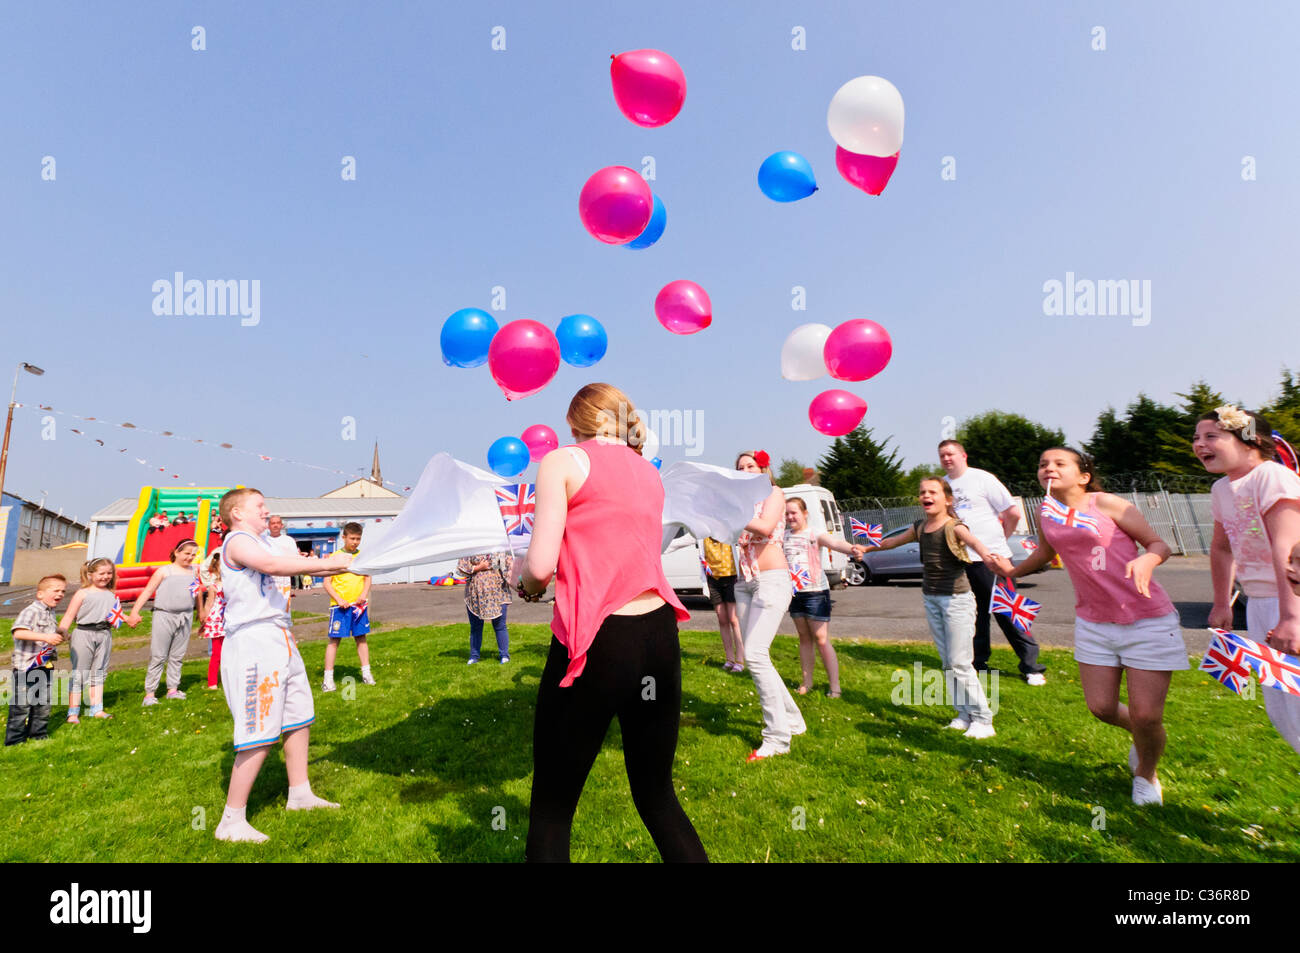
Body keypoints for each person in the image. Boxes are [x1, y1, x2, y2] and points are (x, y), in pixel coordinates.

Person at [517, 382, 707, 862]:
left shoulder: (562, 461)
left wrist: (527, 587)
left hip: (597, 638)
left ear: (576, 421)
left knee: (552, 809)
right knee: (657, 794)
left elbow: (540, 567)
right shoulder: (648, 472)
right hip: (657, 635)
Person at [994, 448, 1185, 805]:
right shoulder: (1046, 510)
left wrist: (1148, 558)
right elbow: (1047, 553)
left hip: (1147, 618)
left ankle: (1146, 774)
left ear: (1083, 476)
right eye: (1042, 464)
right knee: (1101, 708)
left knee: (1146, 714)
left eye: (1059, 463)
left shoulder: (1105, 503)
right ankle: (1145, 736)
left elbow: (1160, 544)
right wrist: (1011, 570)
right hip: (1094, 622)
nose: (1048, 468)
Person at [212, 487, 352, 843]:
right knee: (259, 729)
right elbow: (273, 567)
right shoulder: (236, 541)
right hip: (253, 643)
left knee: (298, 716)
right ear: (237, 513)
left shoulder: (268, 542)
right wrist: (329, 563)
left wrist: (340, 561)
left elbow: (283, 561)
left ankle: (300, 793)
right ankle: (231, 820)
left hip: (280, 636)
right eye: (259, 506)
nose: (267, 511)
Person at [1194, 406, 1300, 755]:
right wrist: (1223, 602)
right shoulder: (1222, 488)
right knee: (1280, 710)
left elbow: (1287, 549)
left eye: (1211, 436)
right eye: (1196, 438)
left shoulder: (1272, 477)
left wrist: (1291, 618)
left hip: (1291, 604)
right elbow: (1223, 548)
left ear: (1250, 439)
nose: (1199, 444)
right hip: (1259, 604)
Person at [874, 478, 999, 738]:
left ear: (948, 499)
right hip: (931, 599)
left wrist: (987, 555)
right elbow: (892, 542)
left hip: (957, 601)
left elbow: (974, 542)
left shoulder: (953, 526)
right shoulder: (920, 527)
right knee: (947, 662)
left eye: (933, 492)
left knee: (960, 662)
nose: (926, 496)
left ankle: (983, 719)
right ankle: (963, 714)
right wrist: (864, 547)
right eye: (922, 492)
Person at [938, 439, 1048, 684]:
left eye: (950, 454)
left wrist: (1000, 540)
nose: (946, 459)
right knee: (972, 614)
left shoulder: (982, 479)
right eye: (942, 455)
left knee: (1007, 610)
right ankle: (977, 662)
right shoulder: (942, 485)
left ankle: (1031, 667)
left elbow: (1012, 512)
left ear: (963, 456)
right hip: (961, 561)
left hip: (993, 559)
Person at [734, 450, 806, 762]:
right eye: (740, 467)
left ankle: (777, 737)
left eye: (750, 465)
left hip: (771, 581)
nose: (745, 470)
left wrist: (729, 515)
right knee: (757, 656)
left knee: (754, 654)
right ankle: (792, 719)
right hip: (744, 583)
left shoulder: (774, 493)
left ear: (763, 468)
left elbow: (764, 528)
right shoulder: (739, 503)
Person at [783, 497, 866, 698]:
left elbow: (836, 543)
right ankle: (806, 683)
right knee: (804, 638)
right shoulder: (783, 536)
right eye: (787, 513)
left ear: (804, 514)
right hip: (795, 594)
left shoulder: (814, 534)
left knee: (820, 639)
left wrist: (852, 549)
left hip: (816, 593)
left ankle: (835, 686)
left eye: (794, 512)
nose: (790, 517)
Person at [128, 539, 200, 705]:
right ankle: (150, 693)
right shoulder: (164, 571)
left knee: (177, 655)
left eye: (193, 555)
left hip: (185, 616)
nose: (190, 557)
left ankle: (172, 689)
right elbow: (148, 591)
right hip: (164, 616)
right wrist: (134, 612)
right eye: (187, 553)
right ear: (176, 552)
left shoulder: (193, 572)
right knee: (158, 655)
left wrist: (201, 612)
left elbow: (196, 593)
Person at [6, 575, 66, 745]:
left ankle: (38, 735)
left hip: (44, 666)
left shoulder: (49, 611)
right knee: (21, 706)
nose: (60, 594)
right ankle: (15, 741)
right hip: (26, 667)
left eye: (63, 591)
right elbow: (18, 632)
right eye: (56, 590)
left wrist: (60, 633)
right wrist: (46, 637)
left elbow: (50, 632)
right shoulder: (31, 611)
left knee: (43, 704)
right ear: (40, 594)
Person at [58, 558, 120, 723]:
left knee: (99, 672)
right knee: (80, 673)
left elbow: (114, 614)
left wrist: (129, 619)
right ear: (91, 574)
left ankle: (96, 708)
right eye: (101, 573)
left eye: (109, 573)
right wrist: (62, 631)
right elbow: (69, 615)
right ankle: (73, 713)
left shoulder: (111, 594)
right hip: (84, 634)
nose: (105, 576)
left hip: (104, 634)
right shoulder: (82, 593)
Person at [322, 522, 374, 691]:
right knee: (334, 641)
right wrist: (338, 599)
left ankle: (366, 673)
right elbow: (327, 582)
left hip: (358, 606)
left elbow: (367, 578)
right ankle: (328, 679)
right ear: (343, 537)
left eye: (358, 539)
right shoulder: (335, 557)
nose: (355, 542)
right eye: (352, 538)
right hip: (340, 608)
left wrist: (363, 595)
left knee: (361, 638)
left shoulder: (363, 556)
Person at [456, 552, 512, 664]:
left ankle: (504, 655)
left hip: (497, 592)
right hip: (475, 593)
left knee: (500, 625)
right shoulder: (471, 547)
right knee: (476, 626)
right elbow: (462, 567)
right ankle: (474, 656)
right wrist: (479, 567)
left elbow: (507, 566)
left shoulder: (498, 547)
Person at [702, 536, 744, 672]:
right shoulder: (703, 535)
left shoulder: (728, 530)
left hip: (731, 577)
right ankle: (729, 659)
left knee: (734, 619)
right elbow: (681, 541)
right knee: (722, 619)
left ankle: (740, 660)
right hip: (713, 579)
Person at [199, 551, 227, 690]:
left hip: (231, 619)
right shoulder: (214, 586)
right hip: (217, 620)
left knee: (231, 652)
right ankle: (212, 682)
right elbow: (209, 603)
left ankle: (230, 679)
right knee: (217, 653)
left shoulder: (233, 583)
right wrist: (204, 619)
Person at [267, 515, 299, 602]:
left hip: (284, 580)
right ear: (268, 526)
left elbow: (295, 559)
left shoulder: (289, 540)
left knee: (284, 605)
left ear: (282, 525)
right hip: (267, 580)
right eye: (273, 523)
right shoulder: (263, 540)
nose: (275, 525)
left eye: (278, 523)